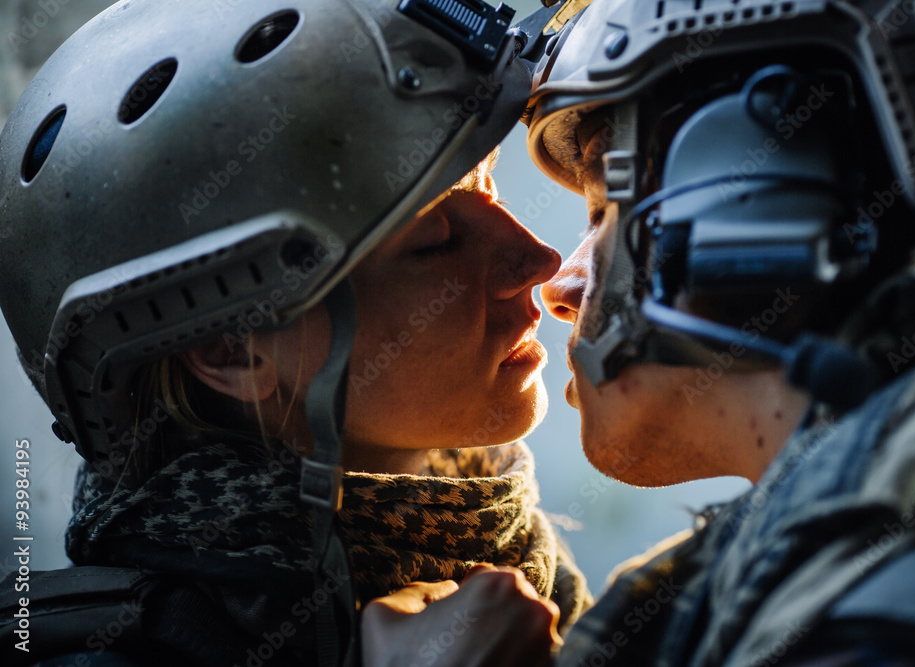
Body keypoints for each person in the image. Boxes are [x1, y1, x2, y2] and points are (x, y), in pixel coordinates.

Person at [362, 0, 915, 664]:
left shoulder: (903, 613)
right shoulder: (818, 559)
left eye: (603, 207)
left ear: (742, 194)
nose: (558, 283)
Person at [0, 0, 590, 665]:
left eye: (491, 190)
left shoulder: (515, 554)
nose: (540, 261)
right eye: (434, 240)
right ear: (233, 350)